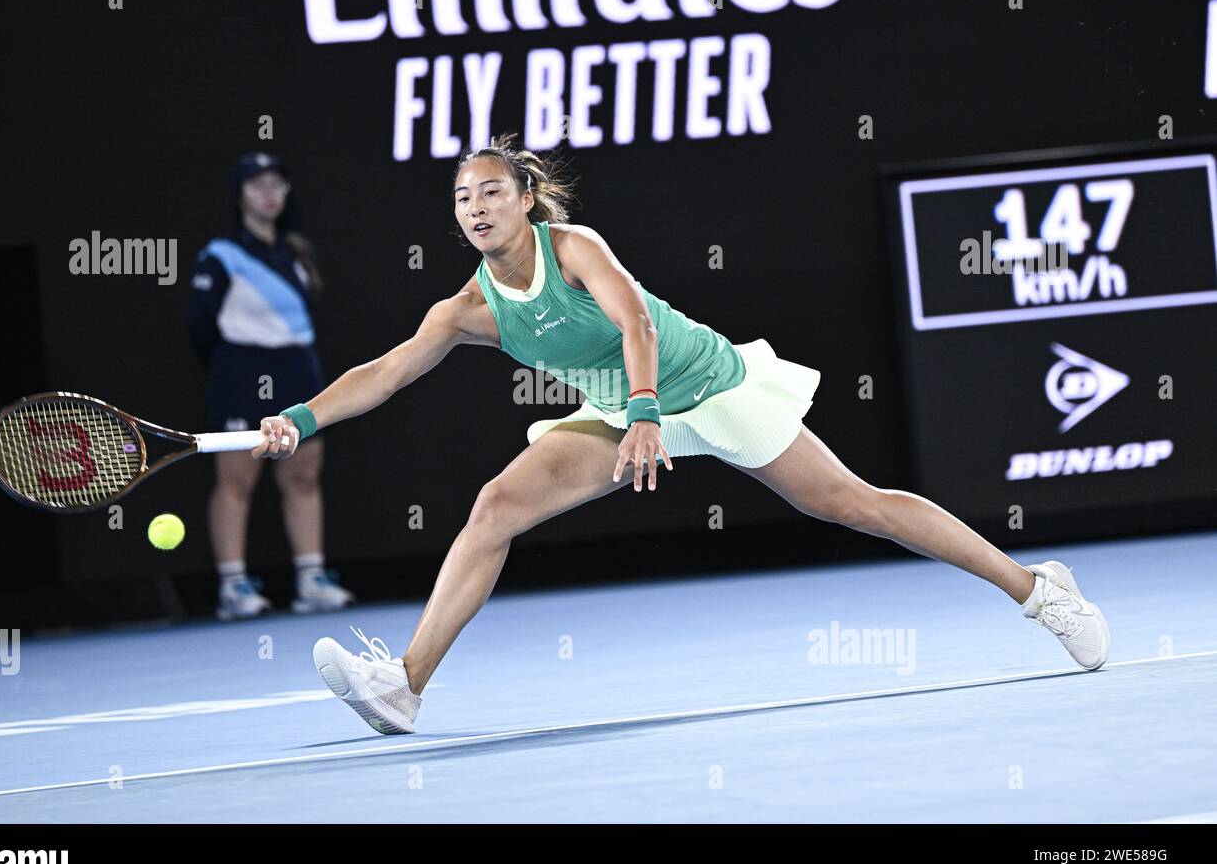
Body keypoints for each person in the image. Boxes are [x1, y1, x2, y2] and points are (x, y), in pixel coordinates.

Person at [252, 133, 1109, 734]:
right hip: (621, 412)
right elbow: (387, 372)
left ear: (524, 199)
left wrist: (650, 410)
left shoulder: (574, 245)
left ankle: (1039, 590)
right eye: (461, 198)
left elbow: (637, 325)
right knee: (495, 507)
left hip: (699, 386)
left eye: (490, 192)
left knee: (856, 506)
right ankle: (405, 685)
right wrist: (298, 419)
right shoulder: (465, 308)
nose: (475, 208)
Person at [189, 152, 354, 620]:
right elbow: (199, 329)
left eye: (277, 184)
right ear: (240, 194)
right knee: (237, 480)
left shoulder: (297, 251)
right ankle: (234, 586)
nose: (269, 193)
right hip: (240, 370)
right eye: (257, 184)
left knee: (303, 477)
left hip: (297, 369)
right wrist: (231, 367)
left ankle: (311, 579)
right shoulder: (220, 255)